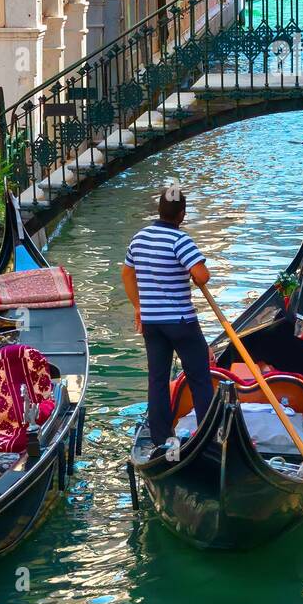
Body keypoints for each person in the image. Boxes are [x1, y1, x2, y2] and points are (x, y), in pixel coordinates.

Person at [121, 189, 214, 452]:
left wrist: (138, 306)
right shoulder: (180, 240)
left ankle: (161, 439)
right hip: (181, 322)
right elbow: (202, 276)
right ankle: (206, 434)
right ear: (182, 214)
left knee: (158, 379)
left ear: (159, 210)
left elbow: (126, 274)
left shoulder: (139, 238)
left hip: (152, 322)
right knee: (199, 377)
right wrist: (193, 273)